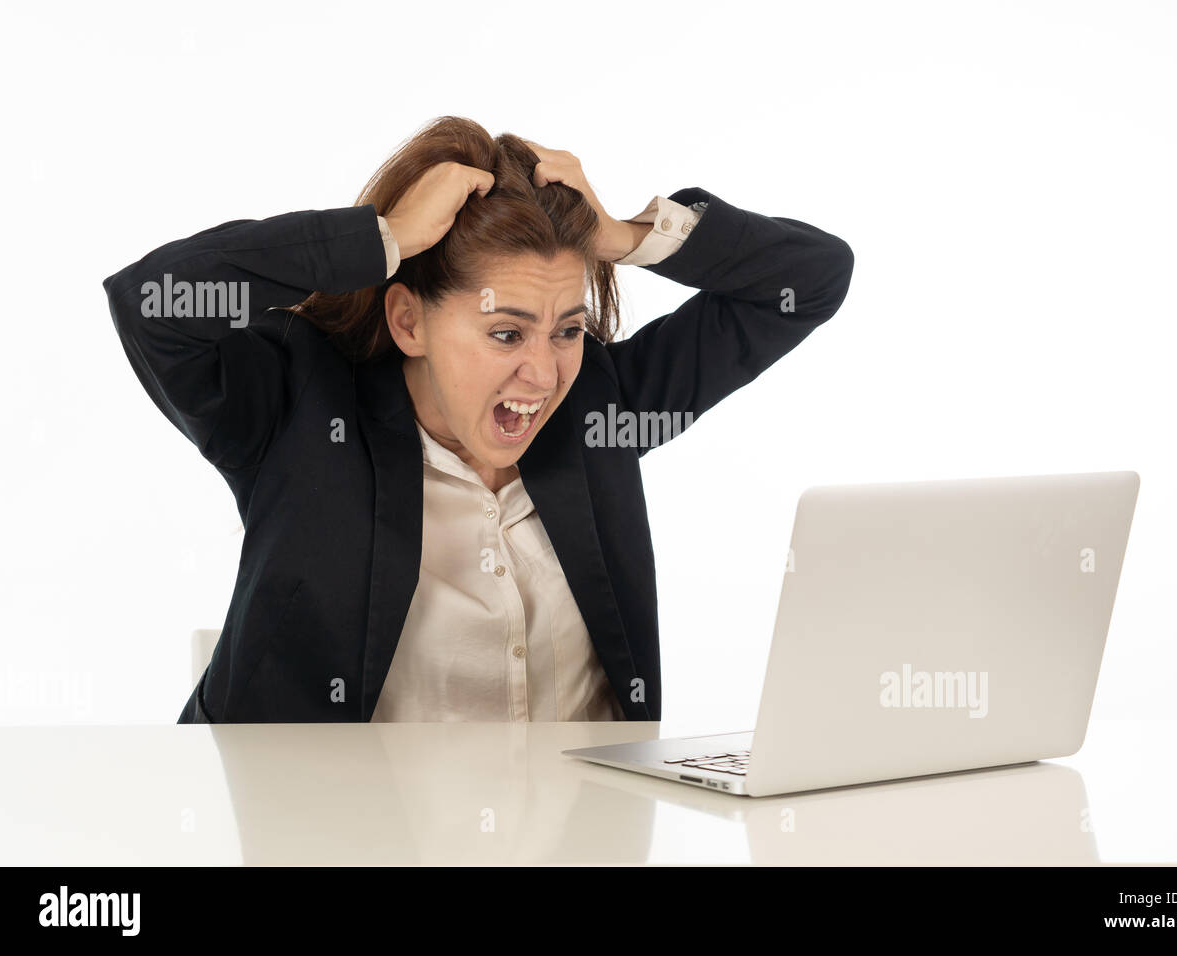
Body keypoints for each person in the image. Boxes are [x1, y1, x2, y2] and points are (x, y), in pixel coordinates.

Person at [102, 115, 855, 724]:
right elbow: (152, 303)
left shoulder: (601, 411)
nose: (544, 372)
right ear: (408, 322)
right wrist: (381, 239)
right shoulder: (302, 415)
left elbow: (811, 278)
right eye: (505, 332)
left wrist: (626, 238)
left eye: (567, 329)